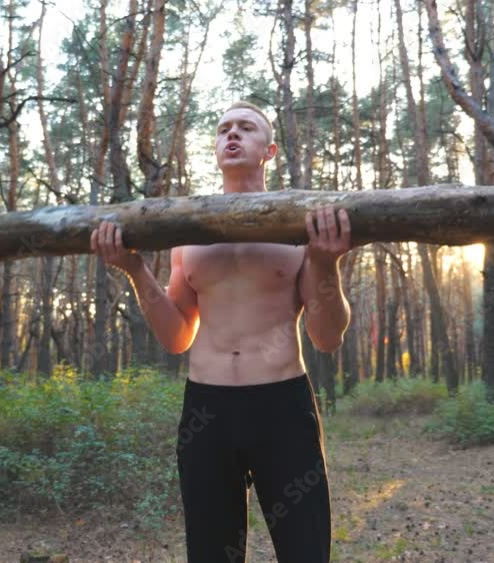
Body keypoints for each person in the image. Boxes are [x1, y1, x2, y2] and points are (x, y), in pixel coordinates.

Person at [90, 100, 352, 562]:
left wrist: (326, 261)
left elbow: (327, 336)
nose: (232, 134)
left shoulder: (299, 225)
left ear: (268, 150)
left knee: (306, 551)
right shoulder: (187, 231)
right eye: (223, 128)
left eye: (246, 128)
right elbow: (176, 337)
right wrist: (134, 269)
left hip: (282, 406)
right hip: (206, 412)